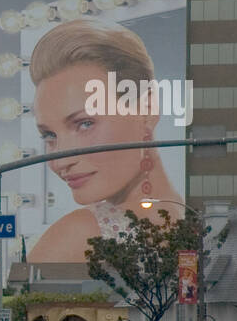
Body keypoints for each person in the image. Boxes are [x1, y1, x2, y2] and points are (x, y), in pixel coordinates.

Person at [27, 18, 184, 264]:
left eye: (84, 124)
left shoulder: (79, 234)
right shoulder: (201, 225)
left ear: (146, 108)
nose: (60, 162)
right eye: (50, 135)